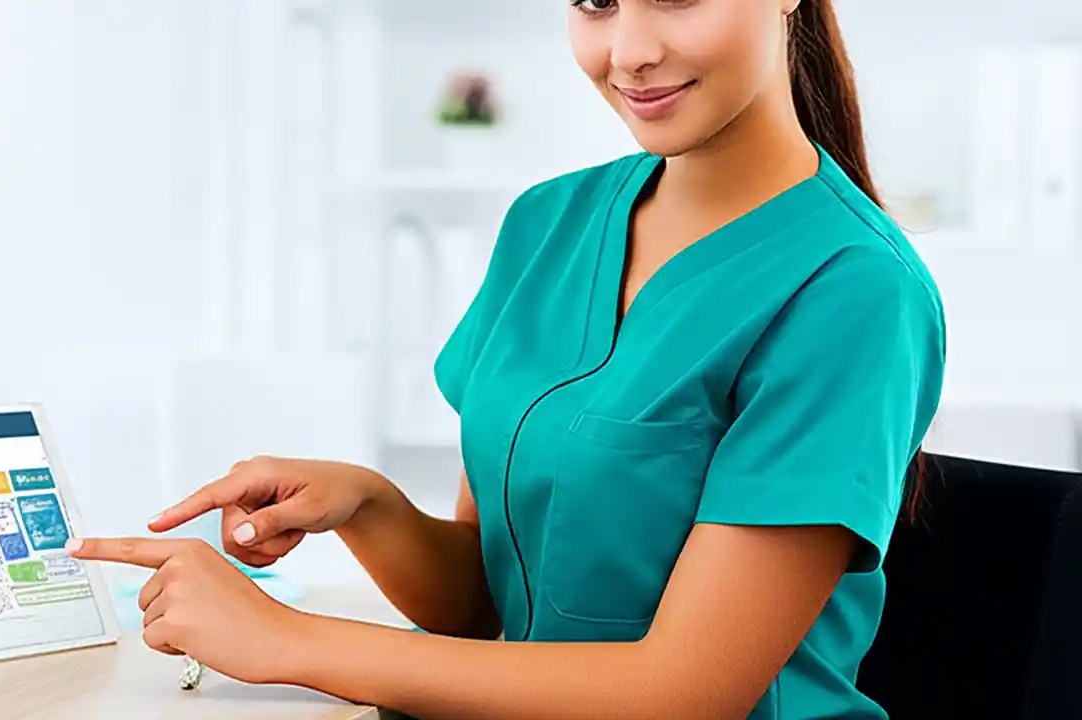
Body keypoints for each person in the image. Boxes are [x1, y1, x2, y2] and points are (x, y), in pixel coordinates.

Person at [68, 0, 946, 717]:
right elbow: (483, 606)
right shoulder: (547, 224)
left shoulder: (854, 292)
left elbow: (684, 691)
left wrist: (286, 640)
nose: (630, 51)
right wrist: (369, 508)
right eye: (596, 3)